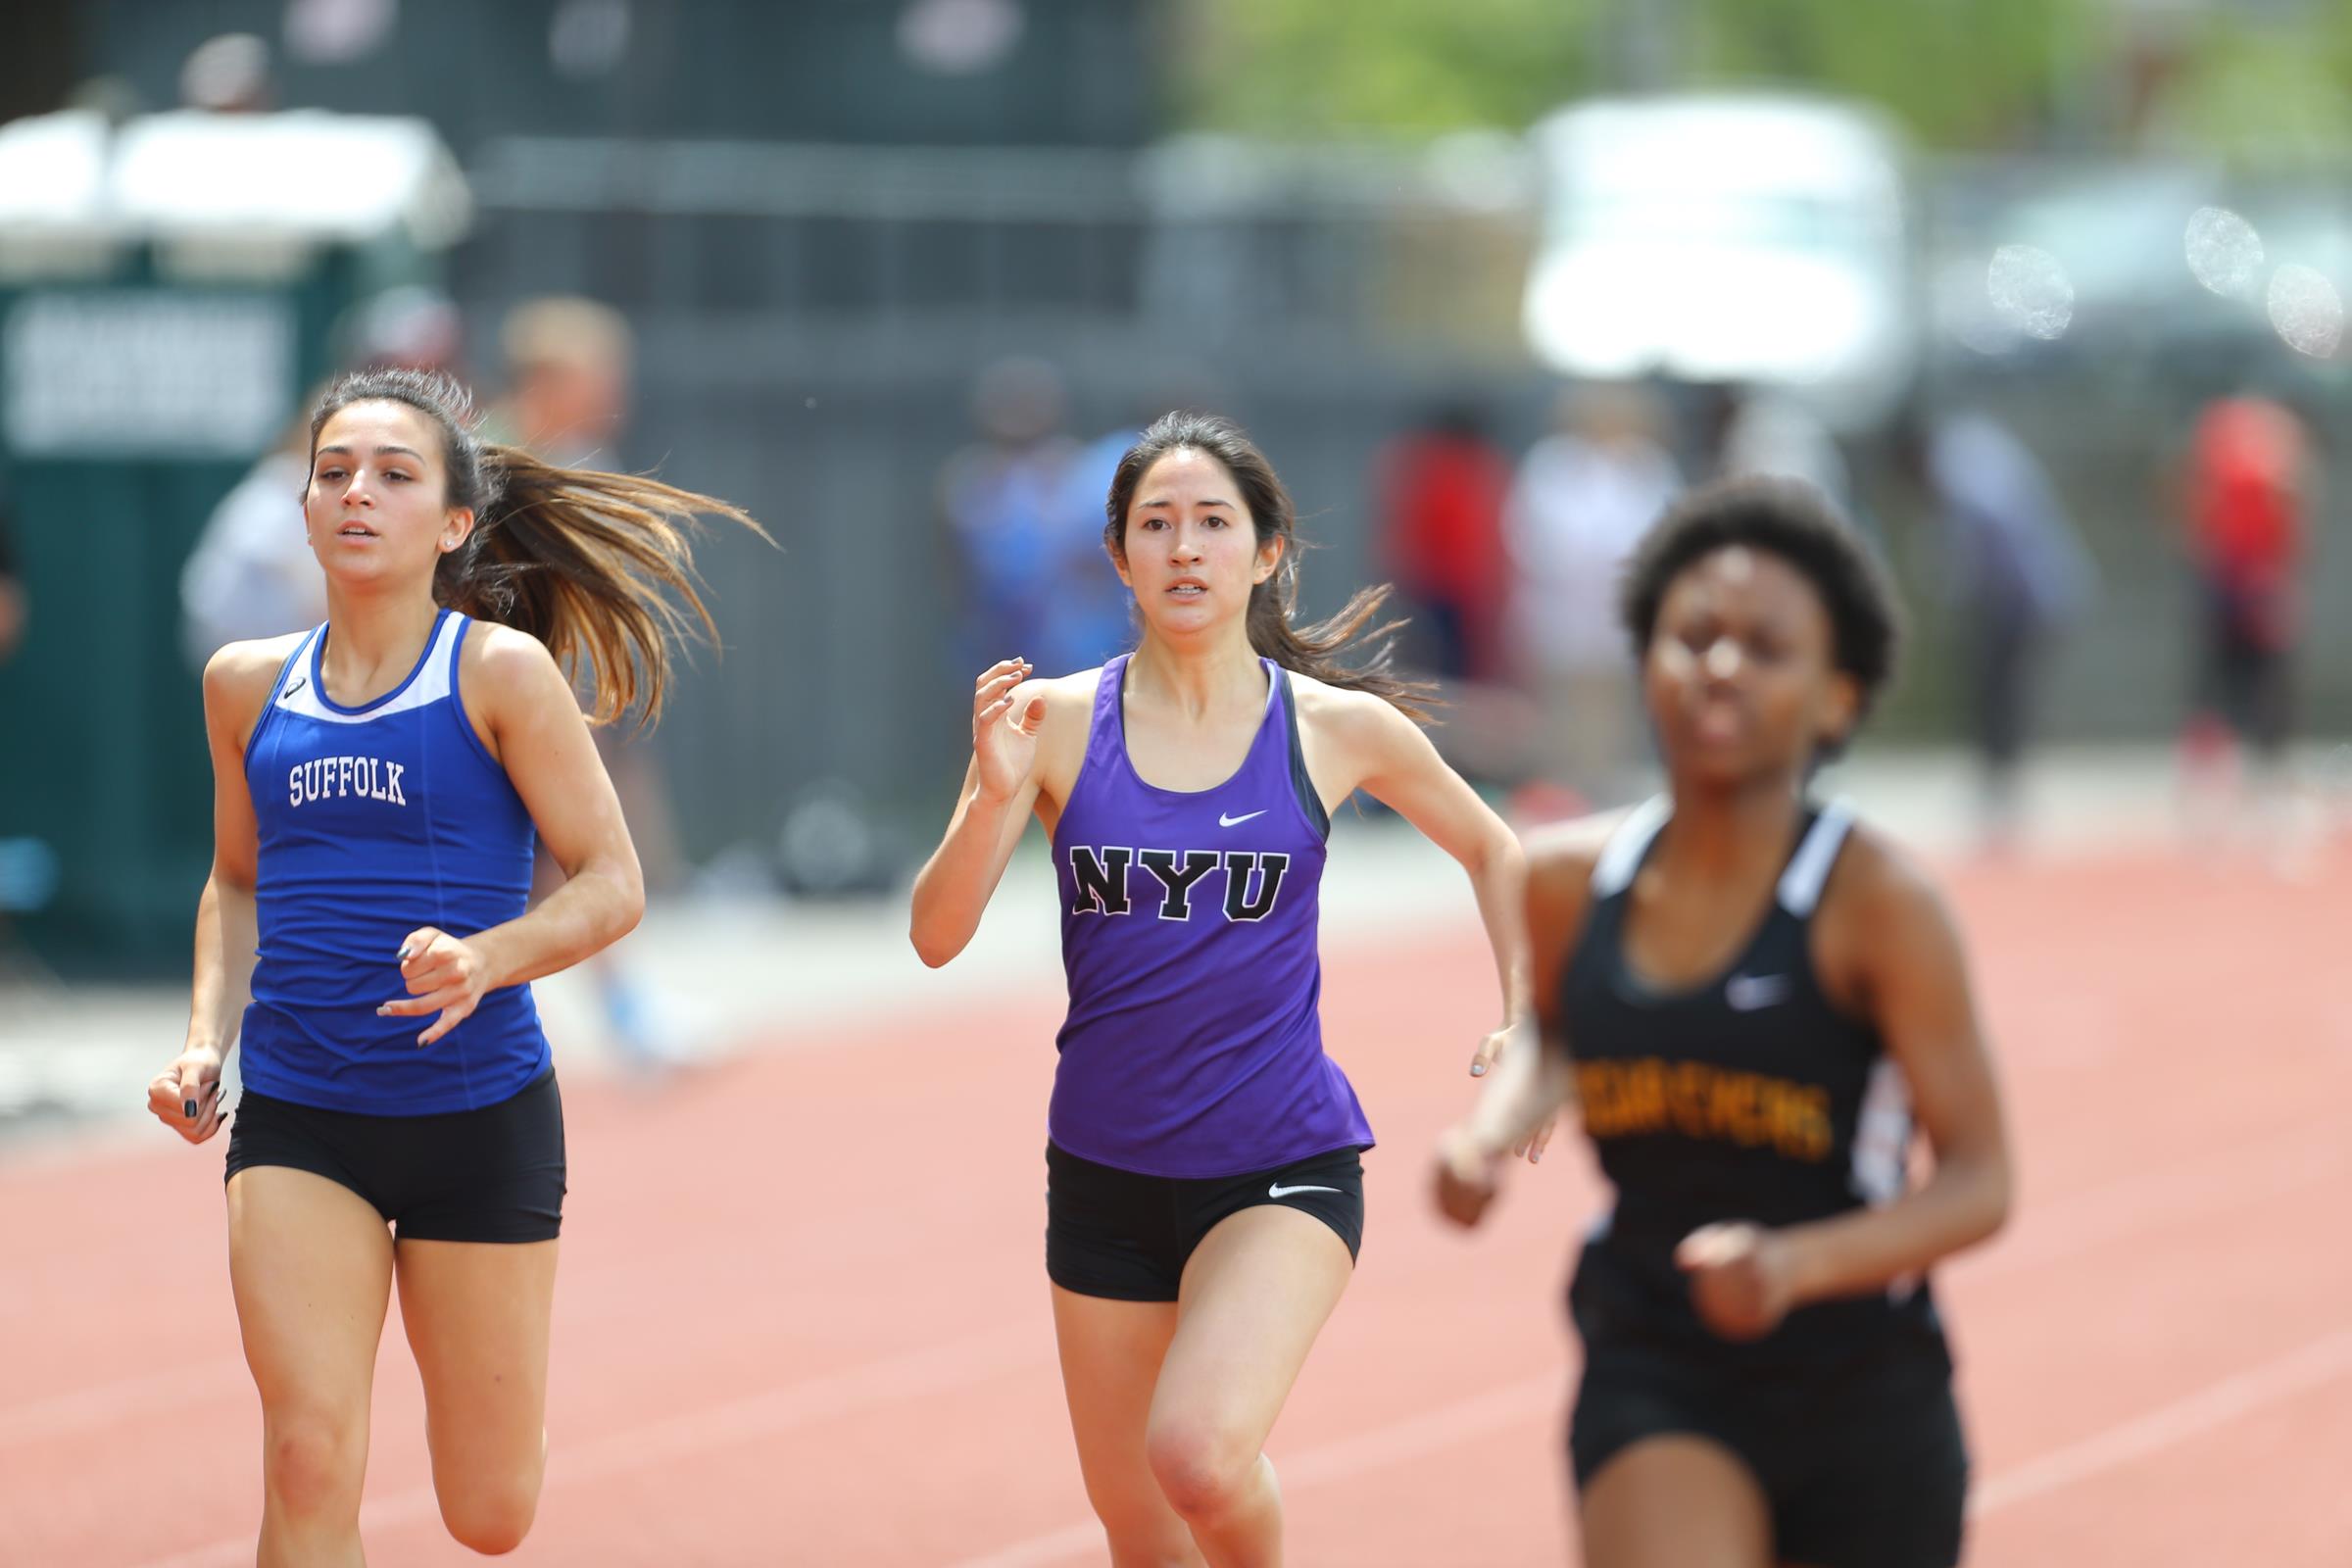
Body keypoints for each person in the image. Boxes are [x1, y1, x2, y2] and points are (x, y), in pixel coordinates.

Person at [145, 368, 761, 1564]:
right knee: (306, 1453)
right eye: (333, 473)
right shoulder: (244, 684)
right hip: (302, 1115)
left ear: (454, 522)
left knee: (490, 1509)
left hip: (477, 1119)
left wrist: (488, 957)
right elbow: (237, 879)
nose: (356, 493)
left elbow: (612, 882)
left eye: (394, 474)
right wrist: (202, 1043)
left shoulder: (501, 673)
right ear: (302, 508)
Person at [910, 411, 1538, 1567]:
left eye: (1213, 522)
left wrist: (1525, 1020)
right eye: (1156, 525)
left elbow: (1497, 849)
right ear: (1118, 556)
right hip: (1103, 1175)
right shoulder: (1047, 723)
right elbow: (936, 937)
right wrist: (993, 794)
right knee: (1143, 1533)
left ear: (1267, 550)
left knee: (1197, 1456)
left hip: (1278, 1167)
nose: (1185, 548)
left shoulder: (1333, 727)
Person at [1435, 476, 2013, 1568]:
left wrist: (1792, 1265)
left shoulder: (1878, 903)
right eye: (1693, 635)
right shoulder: (1566, 881)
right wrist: (1488, 1134)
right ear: (1645, 659)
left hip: (1861, 1388)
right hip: (1656, 1356)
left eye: (1767, 646)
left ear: (1837, 698)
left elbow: (1981, 1180)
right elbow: (1561, 1031)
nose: (1722, 665)